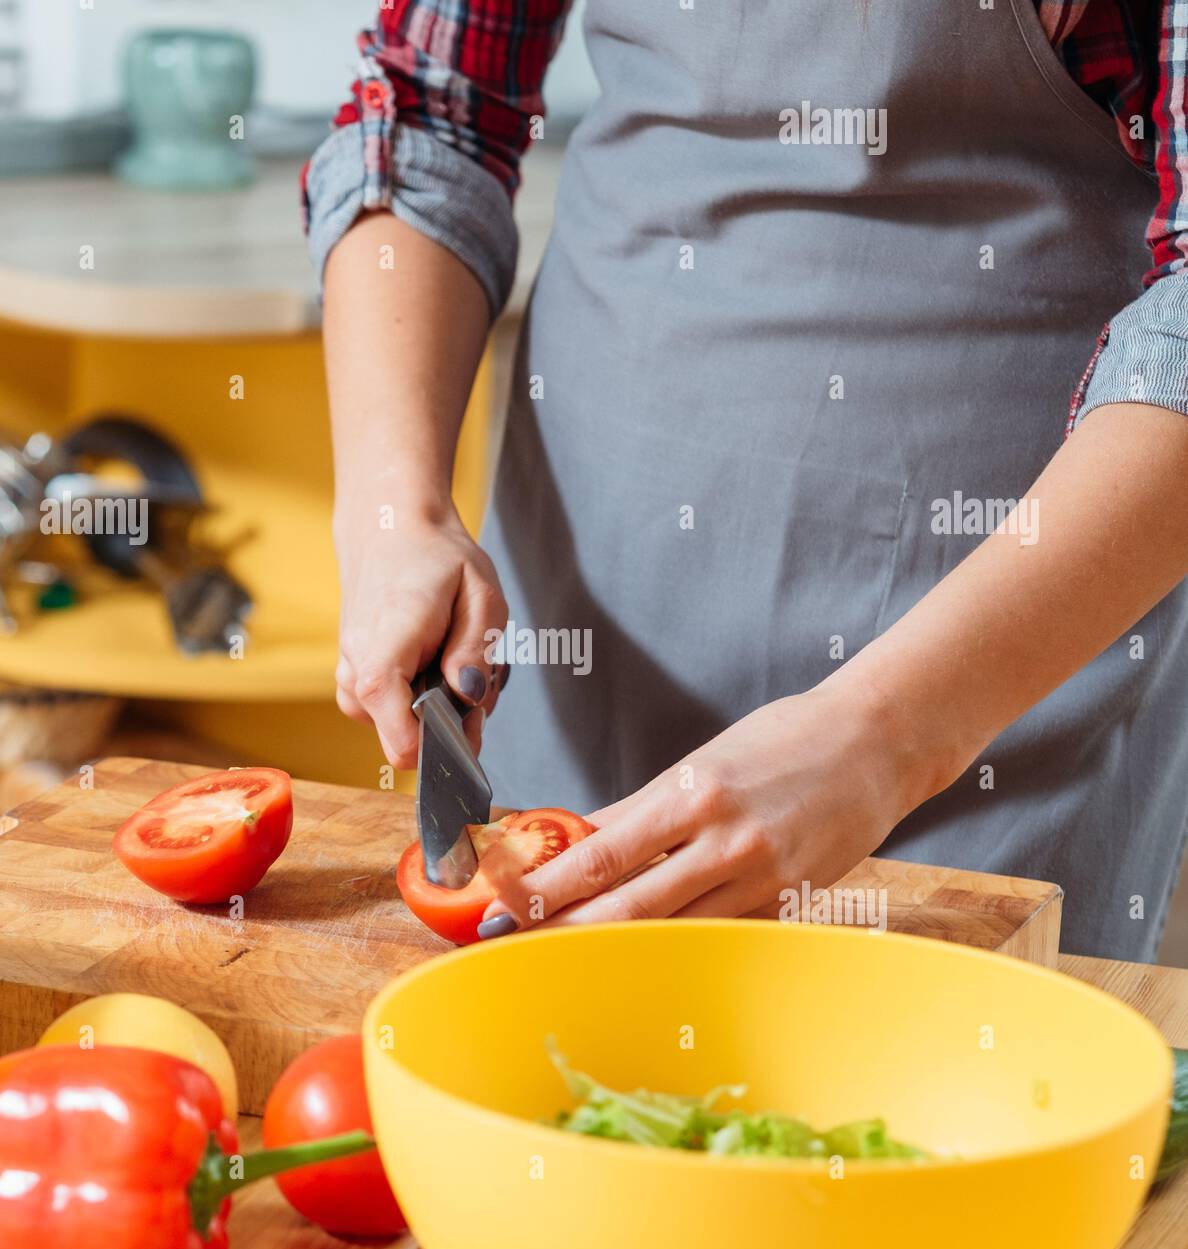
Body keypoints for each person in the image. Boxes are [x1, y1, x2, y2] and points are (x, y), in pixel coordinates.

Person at [308, 0, 1188, 959]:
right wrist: (394, 512)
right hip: (586, 622)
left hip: (995, 691)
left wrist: (891, 739)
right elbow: (435, 111)